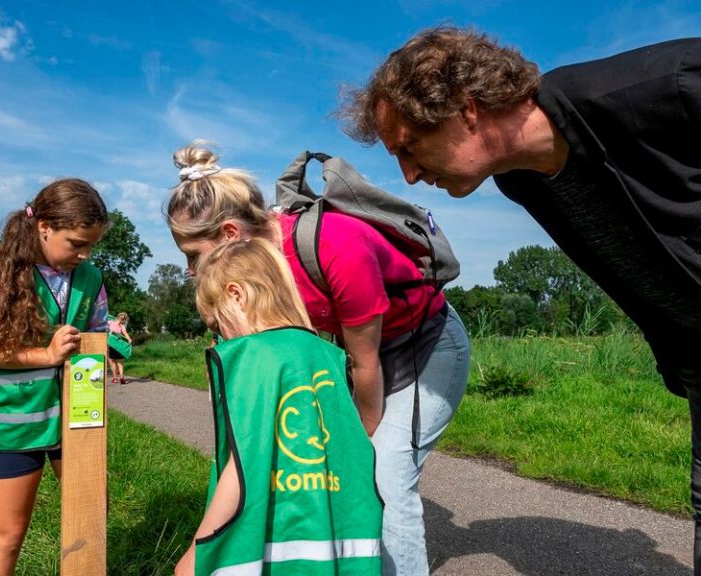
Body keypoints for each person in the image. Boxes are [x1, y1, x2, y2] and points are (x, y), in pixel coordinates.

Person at [339, 25, 701, 574]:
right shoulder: (522, 179)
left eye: (408, 147)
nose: (409, 176)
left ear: (467, 108)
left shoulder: (660, 89)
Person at [166, 142, 471, 575]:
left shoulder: (335, 245)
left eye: (193, 256)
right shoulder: (262, 273)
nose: (194, 271)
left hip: (427, 346)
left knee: (381, 473)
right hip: (369, 357)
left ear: (231, 234)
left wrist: (354, 443)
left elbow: (365, 365)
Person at [174, 237, 383, 576]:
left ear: (236, 295)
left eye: (217, 325)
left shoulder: (253, 357)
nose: (221, 338)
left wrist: (198, 551)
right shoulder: (329, 356)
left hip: (275, 547)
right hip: (340, 547)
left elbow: (244, 467)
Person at [0, 179, 109, 576]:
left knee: (91, 515)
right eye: (76, 243)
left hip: (76, 421)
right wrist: (47, 355)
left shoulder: (90, 278)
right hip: (13, 424)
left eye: (91, 245)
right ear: (44, 228)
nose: (84, 254)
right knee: (9, 534)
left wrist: (110, 346)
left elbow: (98, 335)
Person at [107, 312, 133, 384]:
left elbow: (103, 323)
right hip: (119, 345)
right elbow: (125, 334)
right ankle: (121, 377)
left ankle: (115, 378)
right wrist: (129, 339)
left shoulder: (111, 322)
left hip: (111, 344)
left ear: (118, 317)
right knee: (120, 362)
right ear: (123, 320)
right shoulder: (122, 326)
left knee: (112, 361)